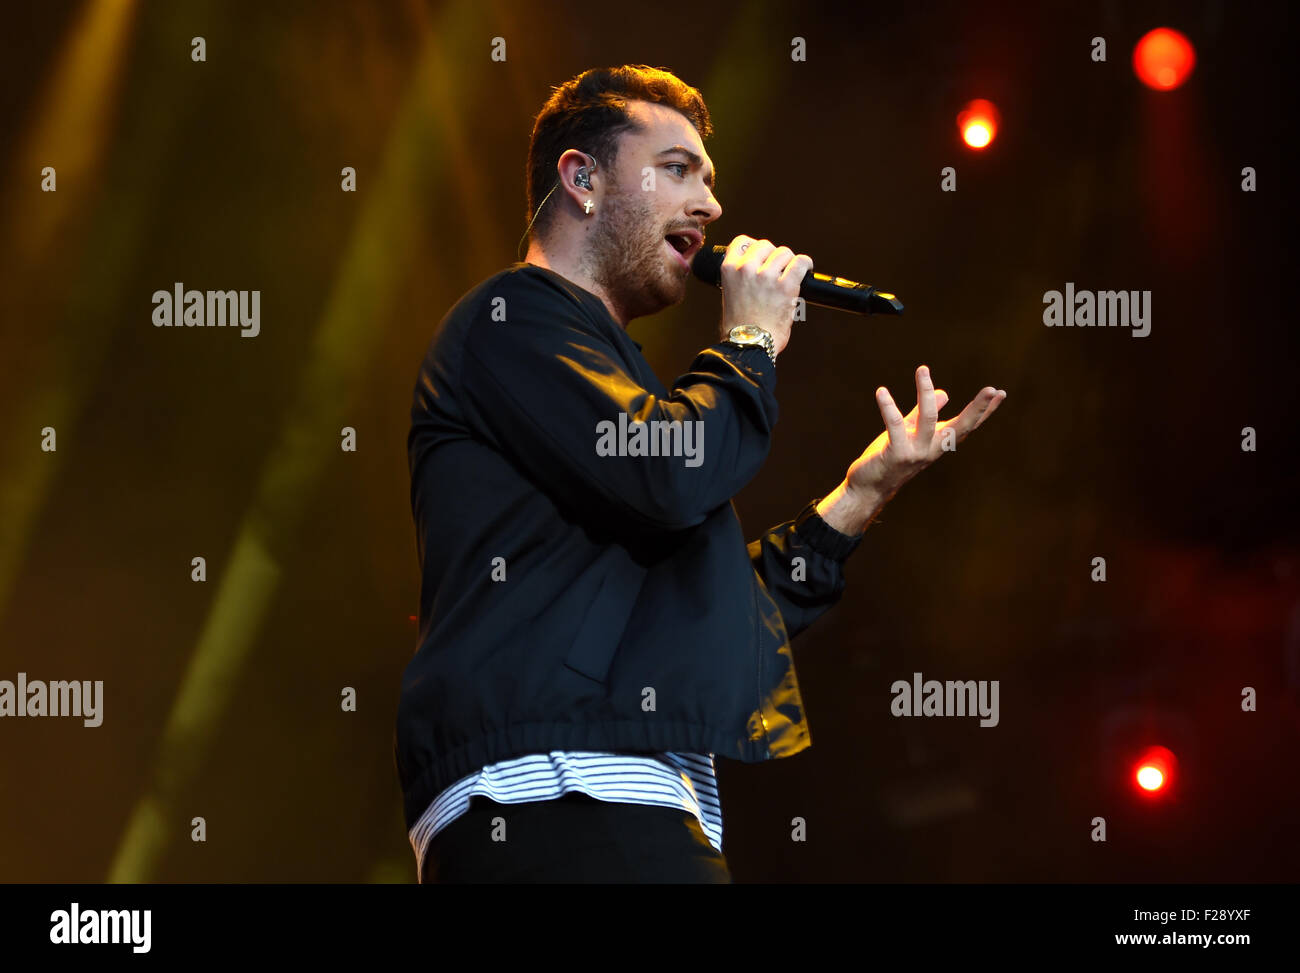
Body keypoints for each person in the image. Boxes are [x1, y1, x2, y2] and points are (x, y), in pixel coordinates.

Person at [396, 64, 1006, 883]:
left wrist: (864, 493)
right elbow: (673, 474)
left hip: (616, 797)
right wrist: (750, 342)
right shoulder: (513, 319)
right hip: (556, 793)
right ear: (581, 179)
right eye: (678, 169)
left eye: (710, 179)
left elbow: (712, 617)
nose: (713, 207)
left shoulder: (607, 386)